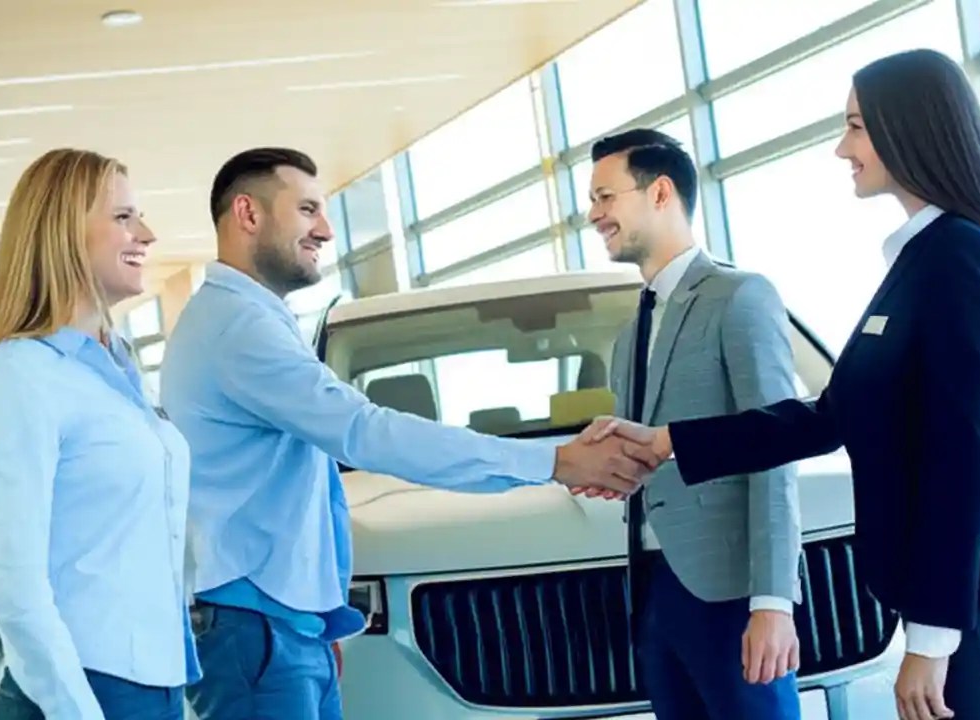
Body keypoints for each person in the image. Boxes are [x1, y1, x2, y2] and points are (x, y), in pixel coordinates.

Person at [589, 49, 980, 720]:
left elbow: (964, 459)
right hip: (967, 603)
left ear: (911, 128)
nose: (843, 148)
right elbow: (827, 417)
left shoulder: (958, 256)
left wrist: (930, 642)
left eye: (856, 127)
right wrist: (668, 440)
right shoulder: (918, 262)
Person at [159, 147, 660, 720]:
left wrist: (319, 622)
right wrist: (555, 461)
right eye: (307, 210)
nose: (325, 230)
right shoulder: (239, 327)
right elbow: (366, 432)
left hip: (283, 624)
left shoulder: (242, 318)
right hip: (261, 631)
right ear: (248, 214)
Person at [0, 148, 199, 720]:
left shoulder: (116, 364)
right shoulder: (18, 373)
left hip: (156, 681)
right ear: (63, 233)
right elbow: (11, 581)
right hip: (85, 689)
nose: (145, 233)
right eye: (123, 217)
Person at [577, 128, 803, 719]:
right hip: (655, 592)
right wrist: (611, 469)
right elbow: (659, 456)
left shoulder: (740, 297)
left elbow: (775, 449)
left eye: (605, 197)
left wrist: (773, 603)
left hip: (729, 593)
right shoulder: (630, 337)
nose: (593, 215)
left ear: (659, 193)